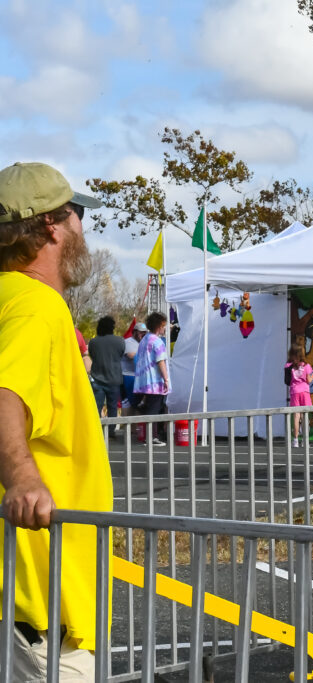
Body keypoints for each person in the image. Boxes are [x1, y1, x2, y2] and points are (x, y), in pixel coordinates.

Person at [0, 161, 113, 678]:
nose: (82, 229)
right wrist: (23, 477)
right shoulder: (36, 306)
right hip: (37, 615)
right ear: (51, 224)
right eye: (78, 214)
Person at [134, 312, 171, 445]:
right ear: (159, 326)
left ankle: (149, 436)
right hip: (155, 381)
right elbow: (160, 361)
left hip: (144, 380)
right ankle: (151, 437)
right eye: (163, 326)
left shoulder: (145, 339)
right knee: (154, 409)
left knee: (152, 407)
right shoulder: (157, 341)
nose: (164, 328)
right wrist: (166, 379)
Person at [88, 315, 125, 418]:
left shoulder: (93, 342)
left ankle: (97, 431)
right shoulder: (120, 341)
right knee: (113, 407)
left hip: (97, 379)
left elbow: (92, 356)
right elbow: (121, 355)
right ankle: (111, 431)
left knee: (96, 407)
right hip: (114, 379)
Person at [285, 344, 313, 447]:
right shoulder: (306, 366)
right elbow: (308, 380)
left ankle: (295, 440)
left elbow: (287, 381)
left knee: (296, 416)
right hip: (305, 392)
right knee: (304, 416)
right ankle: (305, 441)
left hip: (294, 392)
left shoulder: (288, 366)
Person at [121, 322, 147, 415]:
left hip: (139, 377)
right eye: (141, 332)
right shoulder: (129, 342)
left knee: (137, 403)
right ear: (135, 332)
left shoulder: (144, 343)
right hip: (129, 376)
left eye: (145, 332)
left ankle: (135, 427)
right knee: (129, 403)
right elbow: (131, 355)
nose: (143, 334)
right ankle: (127, 427)